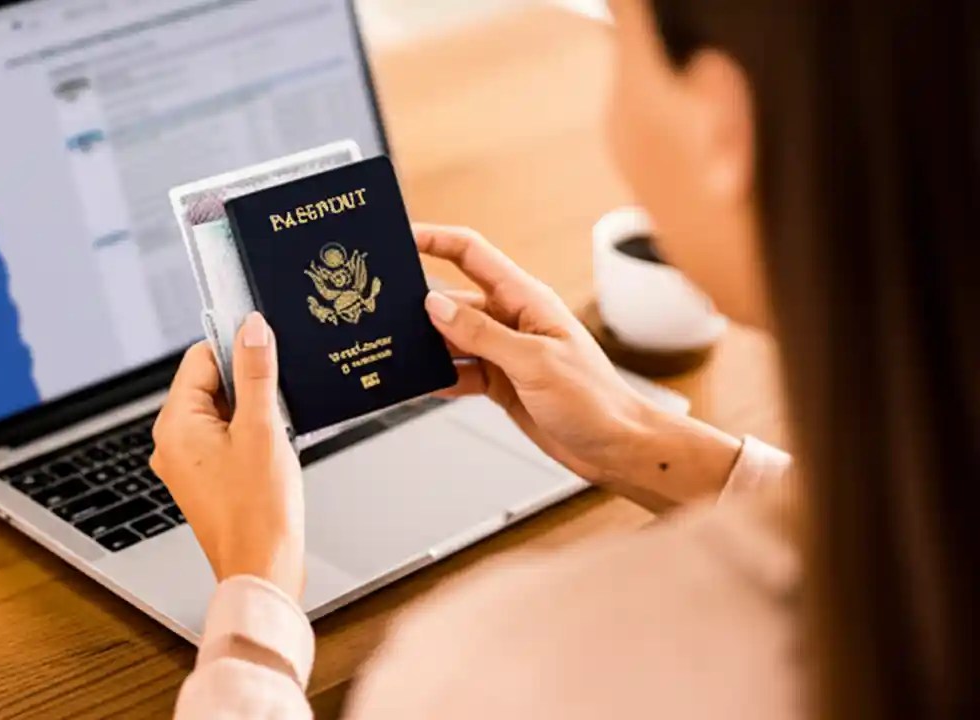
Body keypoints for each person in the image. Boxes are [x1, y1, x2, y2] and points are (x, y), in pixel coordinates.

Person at [149, 0, 979, 717]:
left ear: (725, 127)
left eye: (620, 41)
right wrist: (640, 439)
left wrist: (252, 610)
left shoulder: (507, 675)